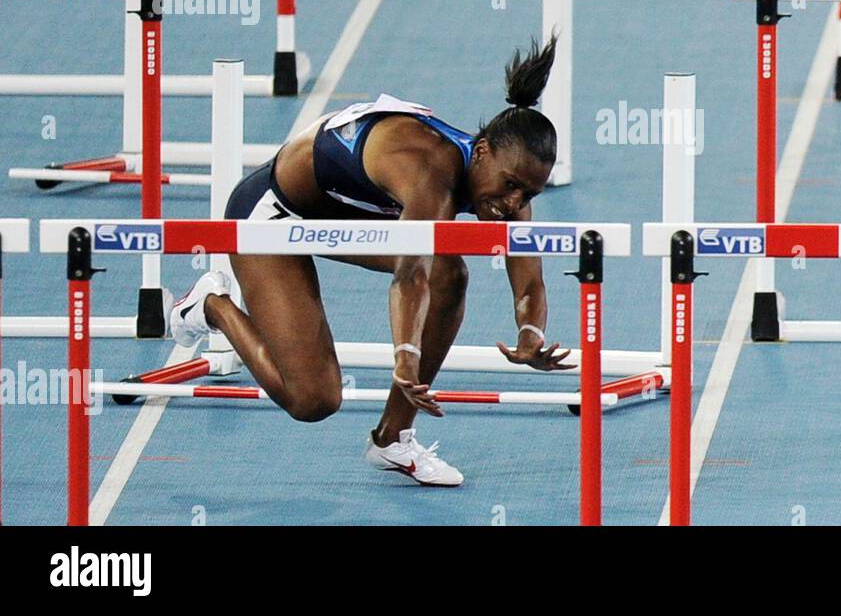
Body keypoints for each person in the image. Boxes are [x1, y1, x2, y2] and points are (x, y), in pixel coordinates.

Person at [167, 38, 571, 486]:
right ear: (481, 152)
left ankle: (392, 439)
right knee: (313, 400)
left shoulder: (506, 189)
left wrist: (531, 335)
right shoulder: (429, 171)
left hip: (340, 218)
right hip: (273, 215)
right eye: (510, 185)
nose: (513, 203)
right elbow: (410, 275)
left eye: (528, 194)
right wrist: (405, 357)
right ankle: (213, 306)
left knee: (449, 272)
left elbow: (529, 281)